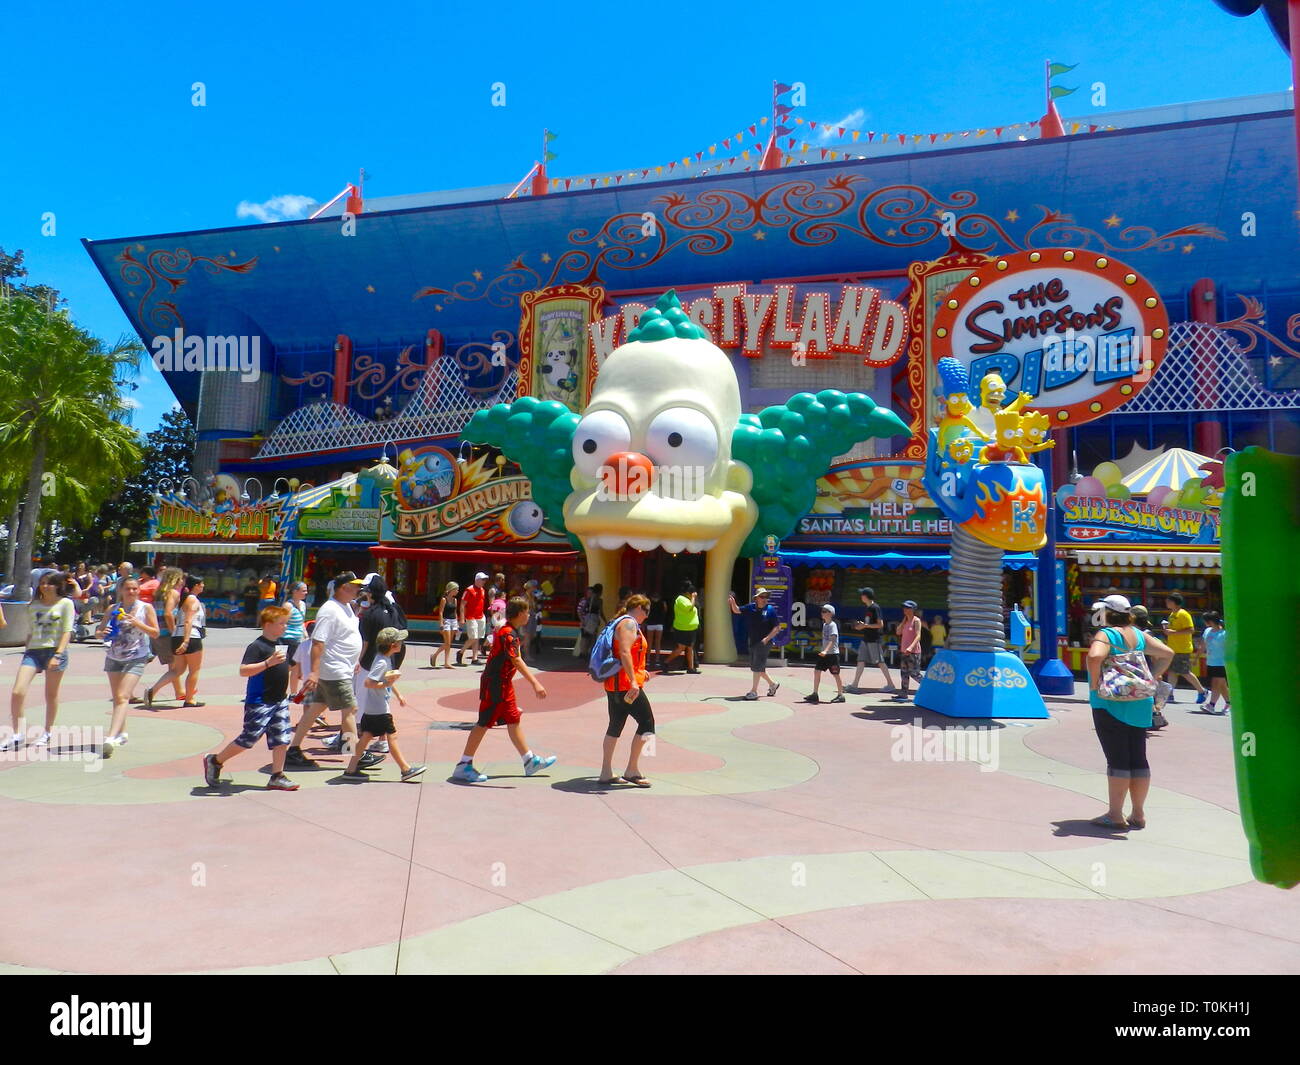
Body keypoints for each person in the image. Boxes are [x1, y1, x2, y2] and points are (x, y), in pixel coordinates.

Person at [1086, 594, 1175, 829]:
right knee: (1138, 758)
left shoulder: (1106, 634)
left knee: (1117, 759)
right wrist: (1152, 676)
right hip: (1140, 701)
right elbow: (1168, 653)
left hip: (1110, 702)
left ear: (1105, 613)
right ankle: (1138, 813)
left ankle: (1115, 814)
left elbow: (1095, 656)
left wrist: (1094, 684)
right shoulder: (1138, 634)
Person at [453, 597, 555, 783]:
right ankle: (463, 765)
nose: (529, 615)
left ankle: (530, 761)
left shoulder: (508, 631)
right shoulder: (508, 634)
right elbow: (516, 659)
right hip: (496, 685)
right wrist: (535, 683)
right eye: (527, 612)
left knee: (513, 719)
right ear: (520, 613)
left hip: (503, 684)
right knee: (483, 723)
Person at [288, 572, 382, 770]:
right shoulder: (329, 610)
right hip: (334, 669)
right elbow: (318, 642)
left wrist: (354, 660)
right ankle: (355, 754)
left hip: (340, 668)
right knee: (350, 710)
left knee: (316, 708)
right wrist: (313, 672)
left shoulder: (345, 606)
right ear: (343, 588)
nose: (359, 590)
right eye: (355, 586)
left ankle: (293, 749)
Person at [202, 605, 300, 792]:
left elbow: (291, 665)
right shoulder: (257, 646)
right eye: (281, 623)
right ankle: (215, 760)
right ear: (268, 625)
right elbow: (244, 670)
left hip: (279, 700)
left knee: (282, 738)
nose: (285, 627)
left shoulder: (281, 644)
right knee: (249, 738)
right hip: (260, 700)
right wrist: (268, 663)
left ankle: (277, 776)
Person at [1, 572, 75, 751]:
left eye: (49, 583)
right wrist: (27, 649)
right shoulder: (33, 605)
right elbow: (31, 630)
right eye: (42, 583)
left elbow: (67, 631)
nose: (45, 586)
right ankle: (18, 733)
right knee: (18, 692)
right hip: (34, 651)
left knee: (51, 694)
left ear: (58, 586)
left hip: (55, 651)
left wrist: (58, 654)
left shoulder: (65, 603)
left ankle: (48, 731)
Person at [342, 627, 425, 782]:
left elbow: (387, 679)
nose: (402, 643)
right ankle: (405, 769)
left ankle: (350, 769)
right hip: (380, 708)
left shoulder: (383, 658)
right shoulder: (382, 662)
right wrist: (386, 684)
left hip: (372, 707)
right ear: (393, 645)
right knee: (392, 736)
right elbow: (368, 683)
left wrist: (397, 694)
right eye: (400, 641)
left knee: (366, 737)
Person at [97, 575, 160, 755]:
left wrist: (138, 623)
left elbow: (155, 633)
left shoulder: (146, 608)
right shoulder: (112, 609)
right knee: (118, 698)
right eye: (127, 588)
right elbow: (99, 631)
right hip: (114, 656)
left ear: (139, 590)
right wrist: (102, 633)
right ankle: (122, 733)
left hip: (136, 656)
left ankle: (110, 737)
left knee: (123, 696)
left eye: (134, 588)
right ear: (121, 590)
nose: (131, 592)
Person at [597, 594, 656, 786]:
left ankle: (606, 772)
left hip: (615, 684)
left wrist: (639, 671)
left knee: (615, 725)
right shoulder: (629, 624)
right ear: (638, 608)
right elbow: (624, 652)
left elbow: (628, 654)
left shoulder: (620, 622)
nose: (647, 615)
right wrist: (633, 681)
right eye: (646, 611)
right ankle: (632, 770)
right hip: (626, 686)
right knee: (647, 723)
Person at [142, 568, 187, 707]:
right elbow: (168, 613)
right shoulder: (173, 593)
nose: (182, 581)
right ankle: (153, 691)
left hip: (158, 632)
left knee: (172, 664)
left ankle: (179, 692)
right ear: (175, 579)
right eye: (180, 578)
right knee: (177, 668)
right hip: (168, 633)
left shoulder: (159, 593)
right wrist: (175, 632)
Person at [729, 588, 780, 700]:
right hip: (753, 641)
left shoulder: (770, 610)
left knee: (757, 666)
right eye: (762, 596)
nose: (765, 599)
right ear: (756, 598)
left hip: (764, 643)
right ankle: (773, 684)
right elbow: (737, 610)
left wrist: (767, 639)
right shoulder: (750, 607)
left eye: (766, 597)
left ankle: (754, 691)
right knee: (757, 667)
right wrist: (732, 602)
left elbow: (777, 627)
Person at [1160, 593, 1207, 703]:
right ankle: (1170, 694)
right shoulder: (1172, 614)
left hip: (1183, 648)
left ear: (1174, 602)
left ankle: (1202, 691)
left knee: (1184, 671)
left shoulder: (1183, 614)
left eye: (1169, 601)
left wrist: (1173, 632)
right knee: (1172, 671)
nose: (1166, 603)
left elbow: (1191, 630)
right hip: (1173, 648)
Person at [848, 588, 896, 693]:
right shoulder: (868, 608)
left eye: (862, 595)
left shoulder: (875, 608)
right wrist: (861, 625)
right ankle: (854, 685)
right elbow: (869, 624)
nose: (861, 597)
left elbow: (880, 624)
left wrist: (865, 625)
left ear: (866, 596)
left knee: (880, 662)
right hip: (866, 639)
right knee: (860, 660)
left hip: (874, 639)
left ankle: (891, 684)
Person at [170, 574, 208, 707]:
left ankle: (153, 690)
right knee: (194, 670)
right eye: (201, 583)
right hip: (191, 636)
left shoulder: (185, 599)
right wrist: (186, 641)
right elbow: (188, 621)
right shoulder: (193, 600)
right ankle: (189, 699)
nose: (203, 586)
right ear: (196, 586)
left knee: (178, 670)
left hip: (177, 635)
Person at [806, 604, 845, 704]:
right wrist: (823, 650)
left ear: (830, 613)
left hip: (832, 654)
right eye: (822, 611)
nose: (822, 613)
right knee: (817, 671)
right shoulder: (824, 625)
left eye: (824, 611)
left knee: (836, 674)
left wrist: (826, 651)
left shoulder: (833, 625)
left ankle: (841, 695)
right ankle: (815, 694)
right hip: (824, 654)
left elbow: (833, 639)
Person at [662, 580, 701, 674]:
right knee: (681, 648)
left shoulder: (689, 600)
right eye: (691, 594)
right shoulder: (680, 599)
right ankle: (666, 662)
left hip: (691, 628)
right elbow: (689, 608)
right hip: (682, 628)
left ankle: (691, 668)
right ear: (687, 593)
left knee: (690, 647)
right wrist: (693, 598)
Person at [1201, 610, 1231, 714]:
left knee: (1216, 683)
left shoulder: (1224, 634)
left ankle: (1212, 705)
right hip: (1211, 662)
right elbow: (1203, 645)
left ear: (1210, 621)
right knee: (1222, 685)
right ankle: (1229, 703)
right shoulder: (1207, 631)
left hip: (1222, 663)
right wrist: (1196, 658)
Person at [893, 601, 923, 702]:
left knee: (914, 673)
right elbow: (898, 632)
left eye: (907, 608)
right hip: (904, 651)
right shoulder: (905, 621)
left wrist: (911, 647)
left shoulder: (916, 621)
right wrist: (903, 621)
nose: (905, 609)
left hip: (913, 652)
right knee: (904, 673)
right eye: (904, 607)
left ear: (913, 609)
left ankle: (929, 687)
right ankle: (903, 694)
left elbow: (918, 636)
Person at [458, 572, 489, 666]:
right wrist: (462, 618)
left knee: (477, 638)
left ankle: (474, 658)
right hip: (471, 617)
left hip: (480, 616)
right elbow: (462, 604)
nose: (484, 581)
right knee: (473, 637)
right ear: (477, 580)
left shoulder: (483, 590)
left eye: (485, 580)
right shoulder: (469, 590)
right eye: (483, 579)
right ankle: (461, 651)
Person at [284, 581, 309, 690]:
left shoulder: (303, 605)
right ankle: (291, 692)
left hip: (299, 639)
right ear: (295, 591)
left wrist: (306, 636)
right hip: (288, 639)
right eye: (303, 591)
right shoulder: (288, 606)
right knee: (293, 667)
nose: (306, 593)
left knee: (296, 667)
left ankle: (293, 692)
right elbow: (282, 622)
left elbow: (302, 622)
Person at [429, 581, 459, 669]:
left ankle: (446, 662)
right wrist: (441, 624)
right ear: (451, 589)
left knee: (449, 643)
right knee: (447, 643)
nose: (457, 591)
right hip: (446, 621)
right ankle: (435, 655)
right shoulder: (444, 599)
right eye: (456, 589)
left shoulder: (455, 600)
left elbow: (455, 612)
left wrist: (457, 623)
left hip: (453, 621)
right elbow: (441, 612)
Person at [644, 593, 668, 670]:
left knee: (649, 642)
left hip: (650, 623)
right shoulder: (662, 603)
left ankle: (648, 660)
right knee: (658, 642)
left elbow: (646, 612)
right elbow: (665, 611)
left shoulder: (648, 603)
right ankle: (657, 660)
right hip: (659, 623)